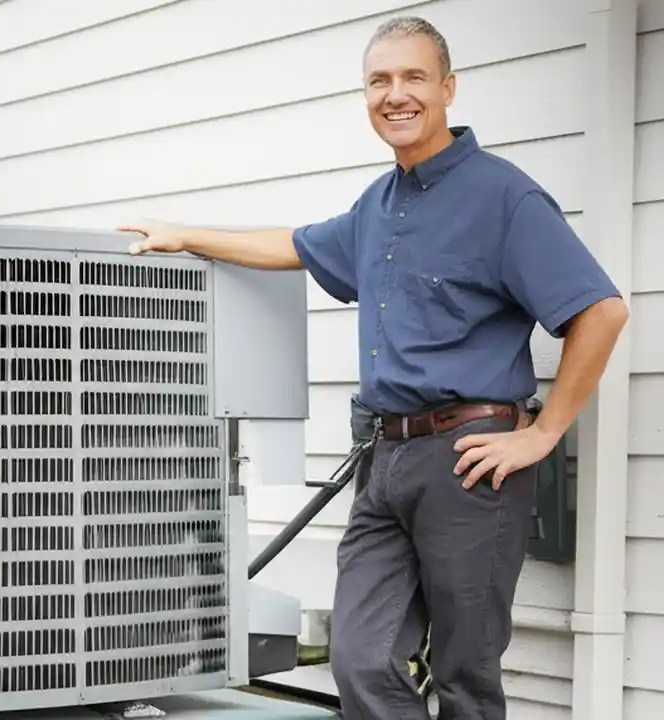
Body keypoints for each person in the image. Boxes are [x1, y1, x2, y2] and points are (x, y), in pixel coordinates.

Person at [117, 16, 629, 720]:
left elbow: (601, 311)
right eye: (379, 81)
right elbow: (294, 245)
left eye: (414, 77)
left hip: (468, 462)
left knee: (465, 676)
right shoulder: (380, 204)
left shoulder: (504, 197)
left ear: (448, 88)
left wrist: (542, 434)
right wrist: (186, 236)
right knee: (360, 659)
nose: (396, 94)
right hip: (385, 458)